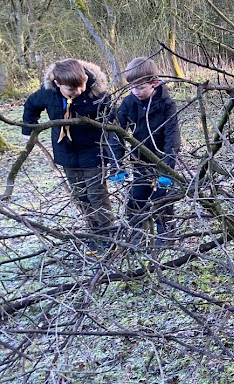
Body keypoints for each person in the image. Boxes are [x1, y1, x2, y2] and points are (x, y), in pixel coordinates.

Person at [21, 58, 116, 248]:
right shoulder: (48, 94)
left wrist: (113, 149)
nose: (79, 91)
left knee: (96, 193)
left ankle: (109, 235)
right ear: (58, 83)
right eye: (72, 89)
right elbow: (31, 105)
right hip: (66, 152)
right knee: (80, 194)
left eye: (81, 86)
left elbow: (112, 120)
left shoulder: (96, 94)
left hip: (93, 151)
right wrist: (28, 130)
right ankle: (94, 233)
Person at [112, 57, 181, 241]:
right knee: (136, 199)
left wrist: (167, 170)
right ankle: (137, 237)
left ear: (154, 83)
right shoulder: (128, 103)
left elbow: (172, 139)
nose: (136, 92)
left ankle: (166, 236)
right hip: (139, 161)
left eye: (141, 87)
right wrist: (116, 166)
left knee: (162, 200)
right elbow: (116, 134)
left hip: (161, 160)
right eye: (132, 87)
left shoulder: (167, 105)